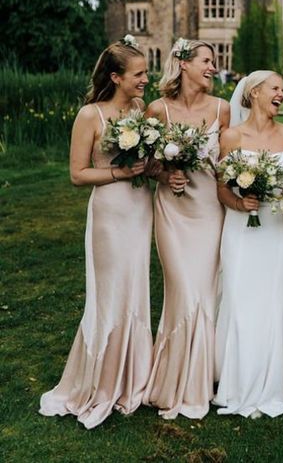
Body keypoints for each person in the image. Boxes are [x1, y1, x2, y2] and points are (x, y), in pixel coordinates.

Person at [39, 37, 153, 429]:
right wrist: (121, 172)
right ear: (116, 76)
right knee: (109, 292)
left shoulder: (140, 110)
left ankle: (134, 377)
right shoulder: (91, 115)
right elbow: (77, 174)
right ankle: (100, 380)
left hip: (141, 209)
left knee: (136, 286)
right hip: (109, 213)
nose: (145, 79)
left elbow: (145, 162)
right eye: (138, 74)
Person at [143, 38, 230, 419]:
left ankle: (204, 375)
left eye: (213, 61)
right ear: (183, 64)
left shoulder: (222, 110)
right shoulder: (157, 109)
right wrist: (166, 174)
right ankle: (175, 374)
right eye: (207, 61)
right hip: (173, 212)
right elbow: (143, 163)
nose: (213, 67)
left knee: (206, 292)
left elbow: (230, 164)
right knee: (183, 290)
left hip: (210, 210)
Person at [213, 70, 283, 418]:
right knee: (238, 297)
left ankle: (274, 382)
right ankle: (235, 383)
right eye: (275, 88)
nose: (282, 93)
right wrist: (239, 203)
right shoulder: (231, 136)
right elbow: (221, 188)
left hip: (277, 230)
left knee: (273, 300)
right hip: (240, 229)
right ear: (255, 93)